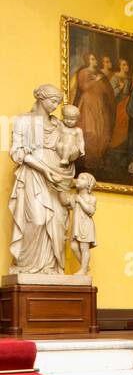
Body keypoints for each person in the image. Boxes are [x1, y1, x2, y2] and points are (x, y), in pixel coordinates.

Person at [8, 86, 72, 275]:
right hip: (34, 175)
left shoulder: (59, 125)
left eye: (57, 103)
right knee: (36, 220)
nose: (55, 106)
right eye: (53, 101)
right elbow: (17, 152)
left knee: (57, 223)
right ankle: (26, 268)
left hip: (57, 178)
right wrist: (44, 170)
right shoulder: (23, 121)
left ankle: (51, 268)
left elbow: (68, 149)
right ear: (41, 98)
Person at [73, 51, 115, 167]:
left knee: (103, 132)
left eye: (95, 59)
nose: (94, 61)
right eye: (92, 59)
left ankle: (98, 158)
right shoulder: (83, 72)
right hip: (88, 103)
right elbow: (84, 87)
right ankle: (88, 160)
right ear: (87, 60)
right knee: (91, 131)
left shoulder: (100, 74)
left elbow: (107, 90)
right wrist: (96, 80)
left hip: (101, 104)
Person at [69, 173, 97, 275]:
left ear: (88, 184)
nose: (78, 180)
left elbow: (90, 211)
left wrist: (80, 200)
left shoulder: (91, 198)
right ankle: (84, 266)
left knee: (83, 248)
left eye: (82, 179)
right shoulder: (74, 196)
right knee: (73, 246)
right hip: (77, 225)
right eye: (78, 178)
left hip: (86, 225)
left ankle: (83, 269)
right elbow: (66, 202)